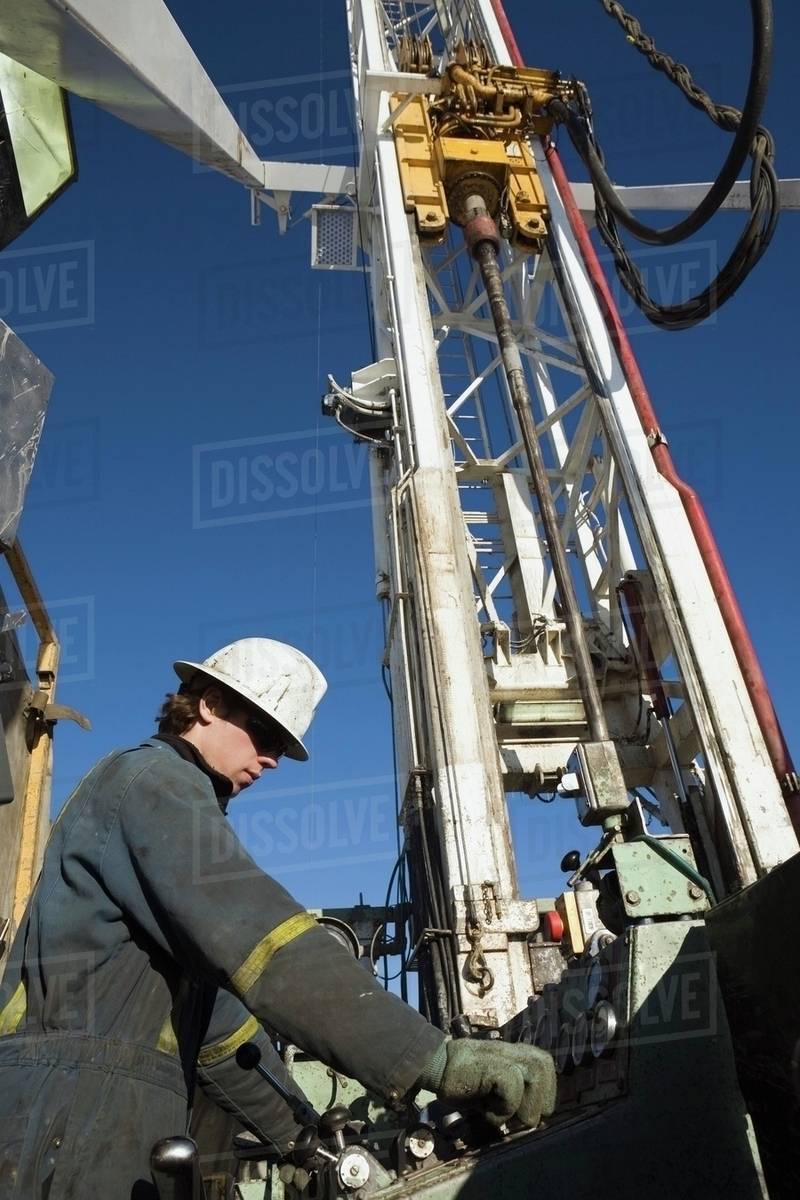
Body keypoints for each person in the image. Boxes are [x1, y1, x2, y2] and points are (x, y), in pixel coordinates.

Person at [0, 638, 555, 1198]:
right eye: (265, 735)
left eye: (281, 749)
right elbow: (263, 939)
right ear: (209, 705)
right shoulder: (151, 783)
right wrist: (433, 1058)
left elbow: (222, 1033)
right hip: (67, 1113)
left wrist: (302, 1135)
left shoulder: (173, 818)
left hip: (104, 1114)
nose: (270, 759)